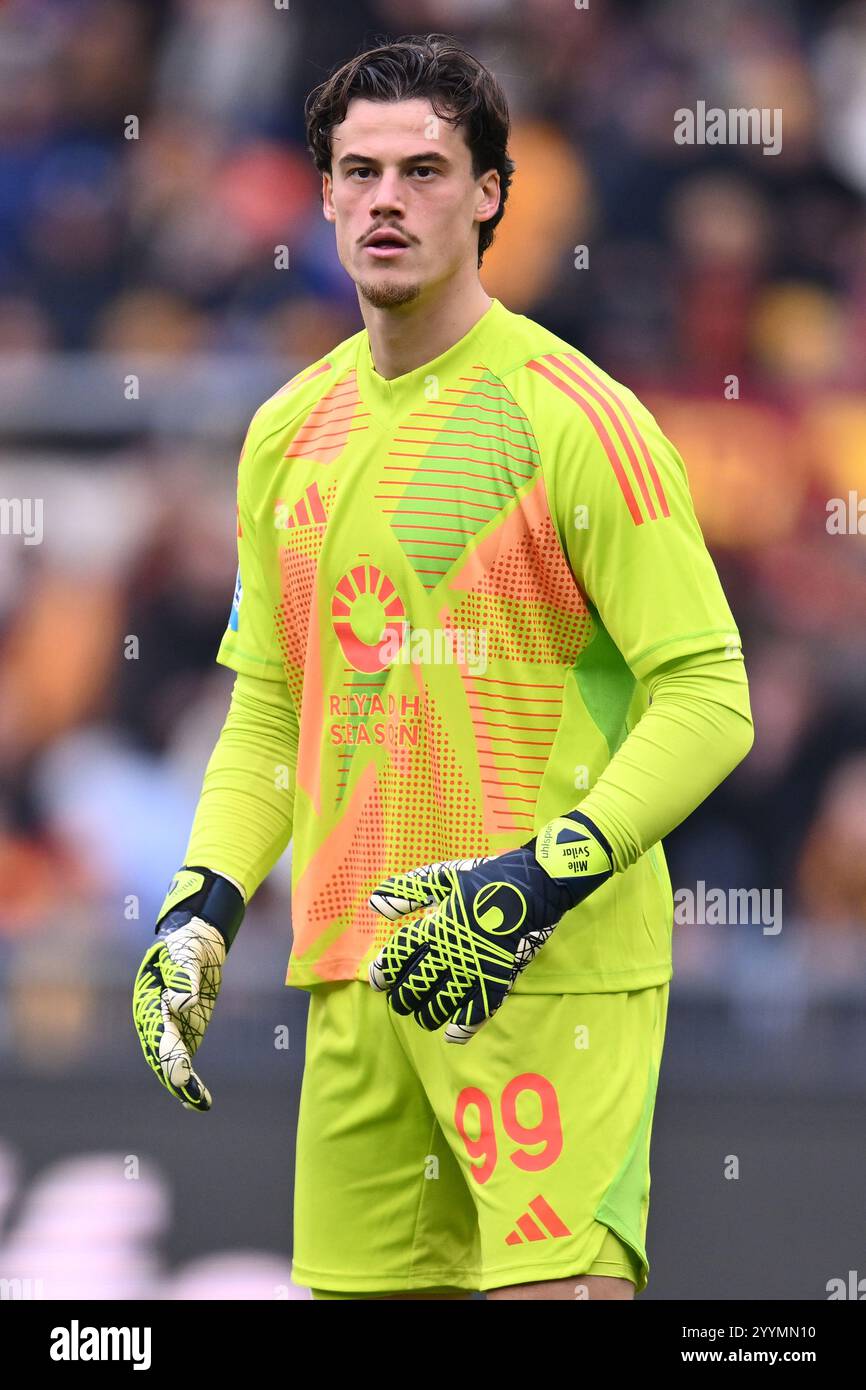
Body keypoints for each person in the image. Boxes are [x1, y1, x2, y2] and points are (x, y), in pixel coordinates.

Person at [133, 33, 754, 1302]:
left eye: (424, 170)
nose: (385, 200)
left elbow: (709, 697)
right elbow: (268, 708)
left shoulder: (571, 415)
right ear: (320, 193)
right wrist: (202, 906)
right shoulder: (283, 433)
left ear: (487, 195)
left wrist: (535, 881)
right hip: (359, 972)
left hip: (541, 968)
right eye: (358, 171)